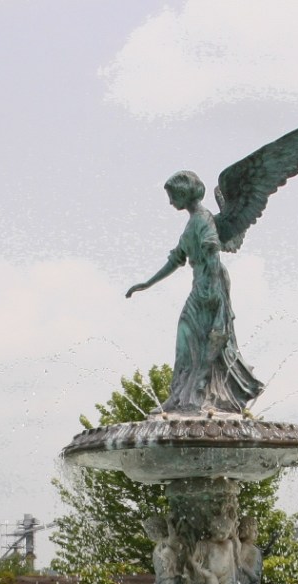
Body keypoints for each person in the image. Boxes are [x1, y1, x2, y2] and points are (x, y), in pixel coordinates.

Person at [125, 171, 263, 416]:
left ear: (183, 193)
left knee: (207, 336)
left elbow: (212, 253)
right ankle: (180, 396)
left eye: (172, 196)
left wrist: (213, 295)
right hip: (201, 284)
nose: (170, 202)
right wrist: (147, 283)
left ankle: (198, 392)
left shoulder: (203, 219)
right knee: (186, 340)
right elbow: (177, 258)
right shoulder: (192, 222)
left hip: (211, 284)